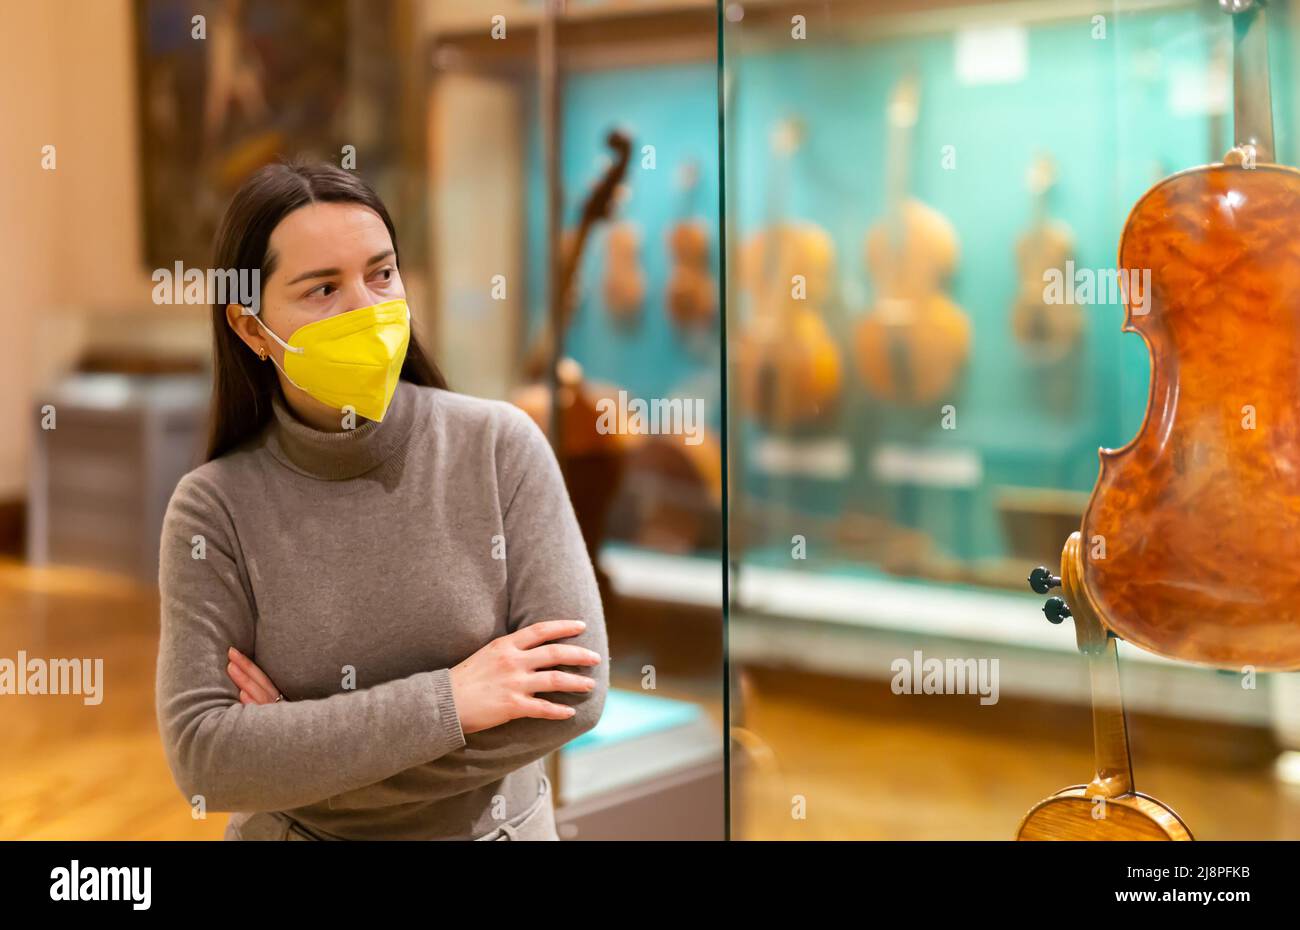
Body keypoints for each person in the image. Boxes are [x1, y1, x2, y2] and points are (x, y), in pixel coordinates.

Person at [154, 160, 607, 840]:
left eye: (381, 273)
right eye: (322, 289)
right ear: (251, 329)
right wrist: (454, 701)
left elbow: (571, 696)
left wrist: (303, 765)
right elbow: (206, 759)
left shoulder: (499, 446)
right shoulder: (212, 509)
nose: (366, 308)